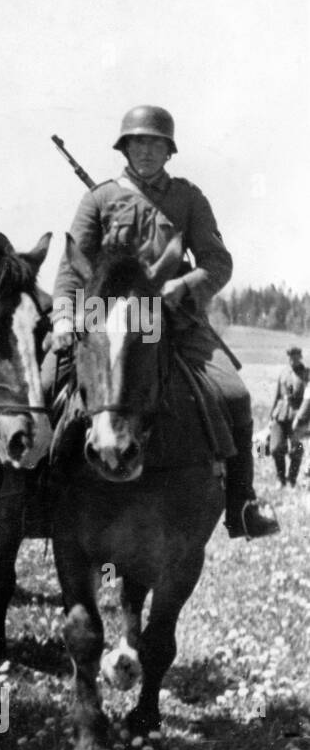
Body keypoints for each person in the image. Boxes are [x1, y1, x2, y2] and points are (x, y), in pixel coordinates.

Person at [49, 104, 278, 538]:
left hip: (171, 317)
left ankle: (242, 503)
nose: (146, 151)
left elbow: (217, 262)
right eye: (138, 142)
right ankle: (36, 492)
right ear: (125, 148)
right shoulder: (99, 198)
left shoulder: (188, 198)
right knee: (46, 385)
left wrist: (185, 285)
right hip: (106, 317)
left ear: (169, 151)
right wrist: (65, 317)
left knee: (235, 394)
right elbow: (71, 268)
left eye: (155, 143)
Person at [270, 346, 308, 487]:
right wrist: (271, 416)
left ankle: (291, 479)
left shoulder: (306, 374)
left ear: (300, 357)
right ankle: (280, 479)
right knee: (275, 448)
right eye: (290, 357)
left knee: (296, 450)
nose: (292, 360)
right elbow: (277, 395)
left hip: (298, 415)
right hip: (281, 414)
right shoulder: (284, 372)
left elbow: (307, 398)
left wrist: (301, 416)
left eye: (295, 357)